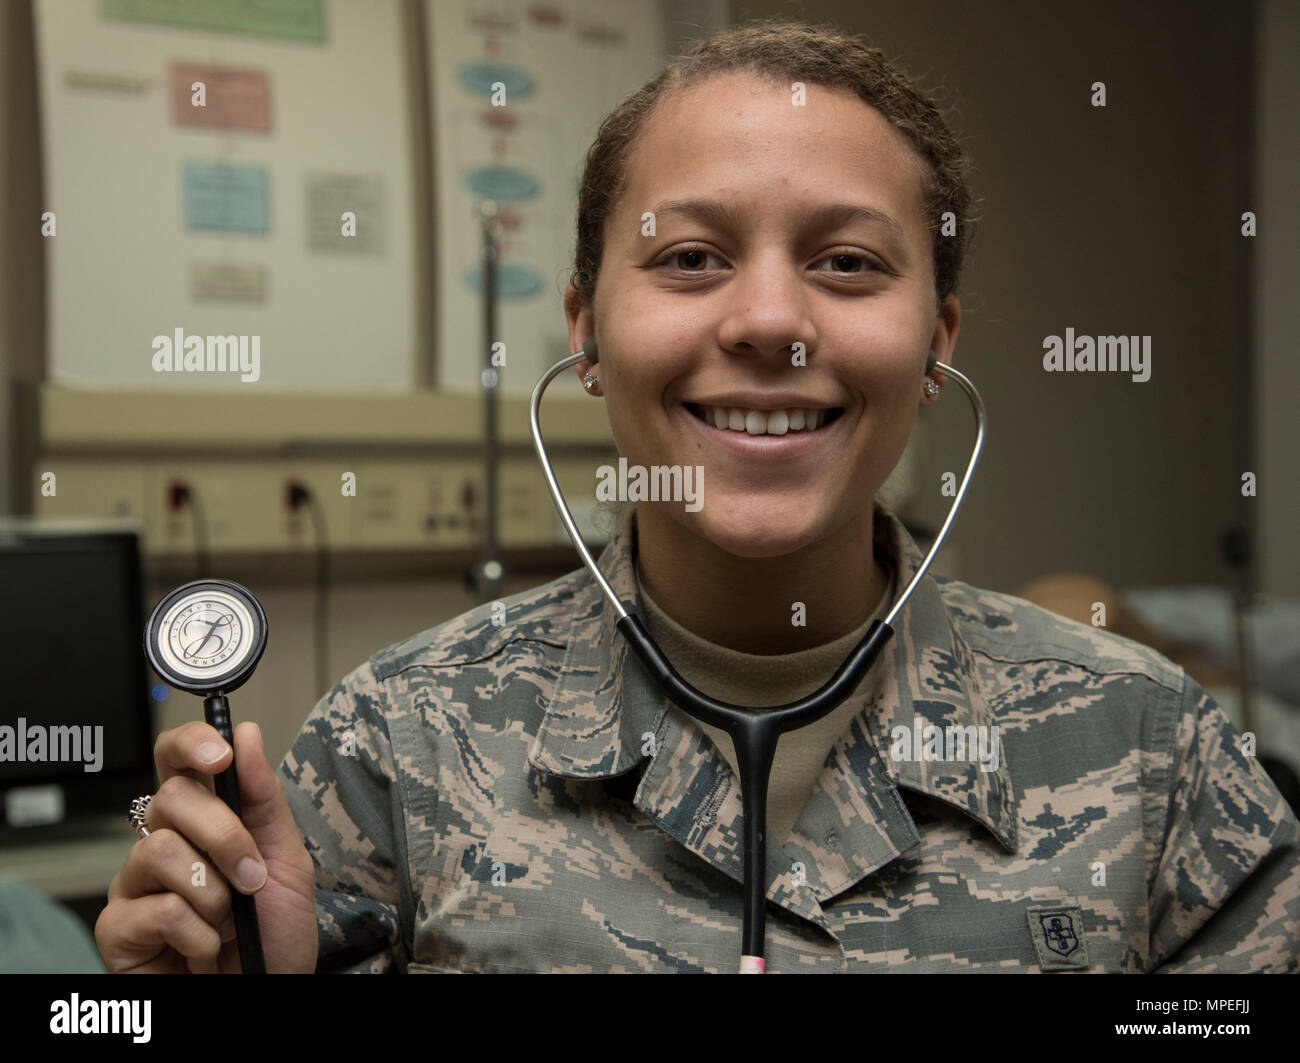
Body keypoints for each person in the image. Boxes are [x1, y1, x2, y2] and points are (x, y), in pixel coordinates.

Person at [95, 19, 1300, 974]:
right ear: (588, 330)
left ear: (936, 344)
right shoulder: (388, 753)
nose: (769, 320)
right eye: (688, 258)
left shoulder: (1154, 751)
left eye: (846, 262)